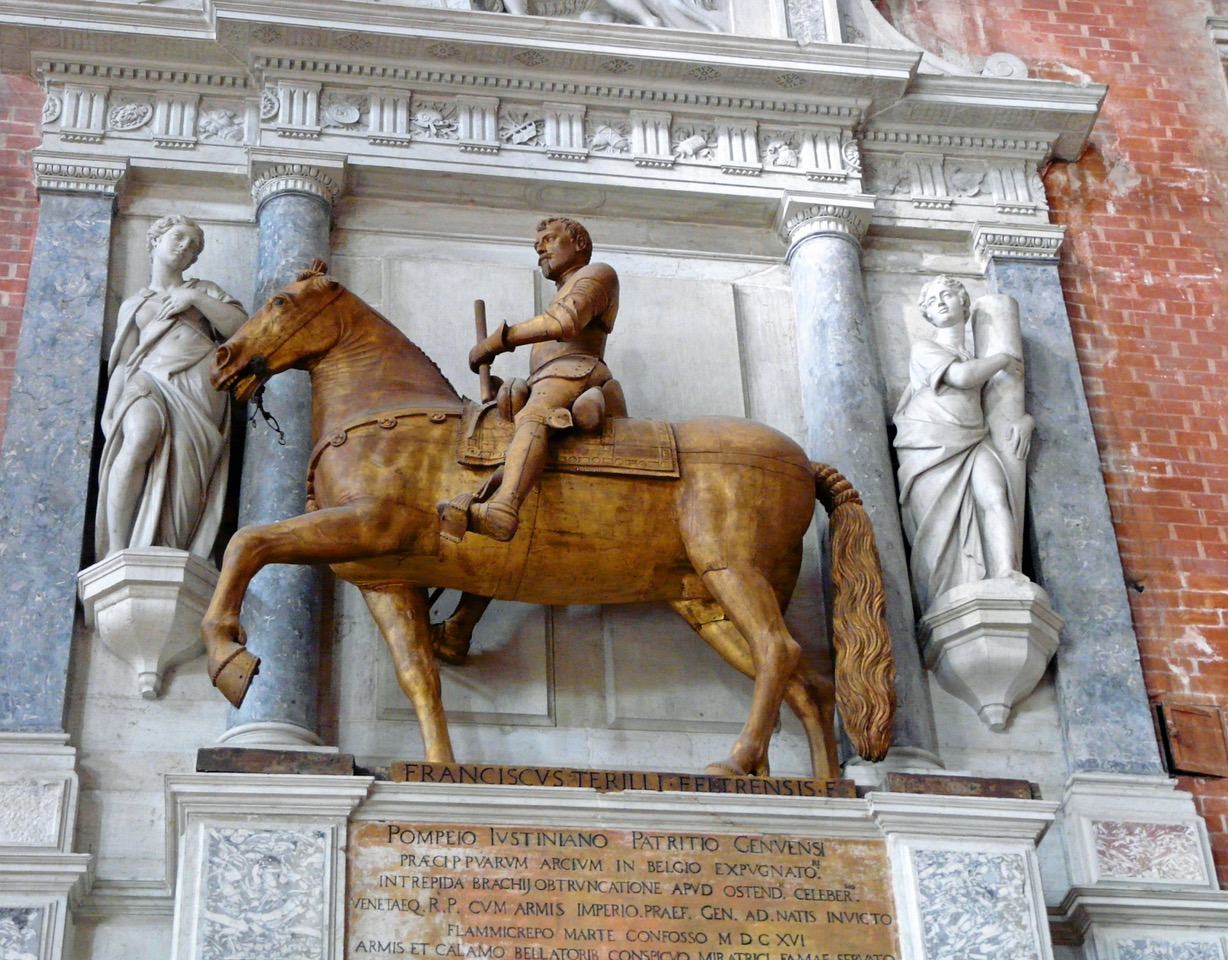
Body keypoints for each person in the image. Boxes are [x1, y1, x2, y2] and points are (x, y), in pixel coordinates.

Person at [95, 215, 247, 559]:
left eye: (193, 246)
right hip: (147, 381)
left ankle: (172, 549)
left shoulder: (205, 290)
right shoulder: (133, 304)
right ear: (155, 241)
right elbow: (122, 361)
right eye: (179, 237)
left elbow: (240, 329)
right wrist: (109, 407)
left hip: (197, 390)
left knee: (186, 479)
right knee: (138, 439)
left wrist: (194, 299)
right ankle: (116, 550)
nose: (185, 247)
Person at [463, 217, 619, 541]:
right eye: (537, 246)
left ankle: (504, 509)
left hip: (575, 370)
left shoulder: (598, 274)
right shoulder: (563, 292)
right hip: (549, 378)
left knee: (533, 415)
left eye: (548, 239)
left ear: (579, 243)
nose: (540, 250)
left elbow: (565, 323)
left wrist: (497, 342)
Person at [893, 275, 1031, 612]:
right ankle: (945, 601)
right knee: (940, 529)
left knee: (996, 496)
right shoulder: (927, 348)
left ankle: (1006, 572)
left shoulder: (973, 356)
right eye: (932, 300)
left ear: (964, 303)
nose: (940, 302)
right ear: (925, 313)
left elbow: (998, 404)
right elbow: (961, 377)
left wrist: (1026, 421)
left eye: (948, 295)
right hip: (931, 448)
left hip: (974, 438)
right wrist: (1002, 360)